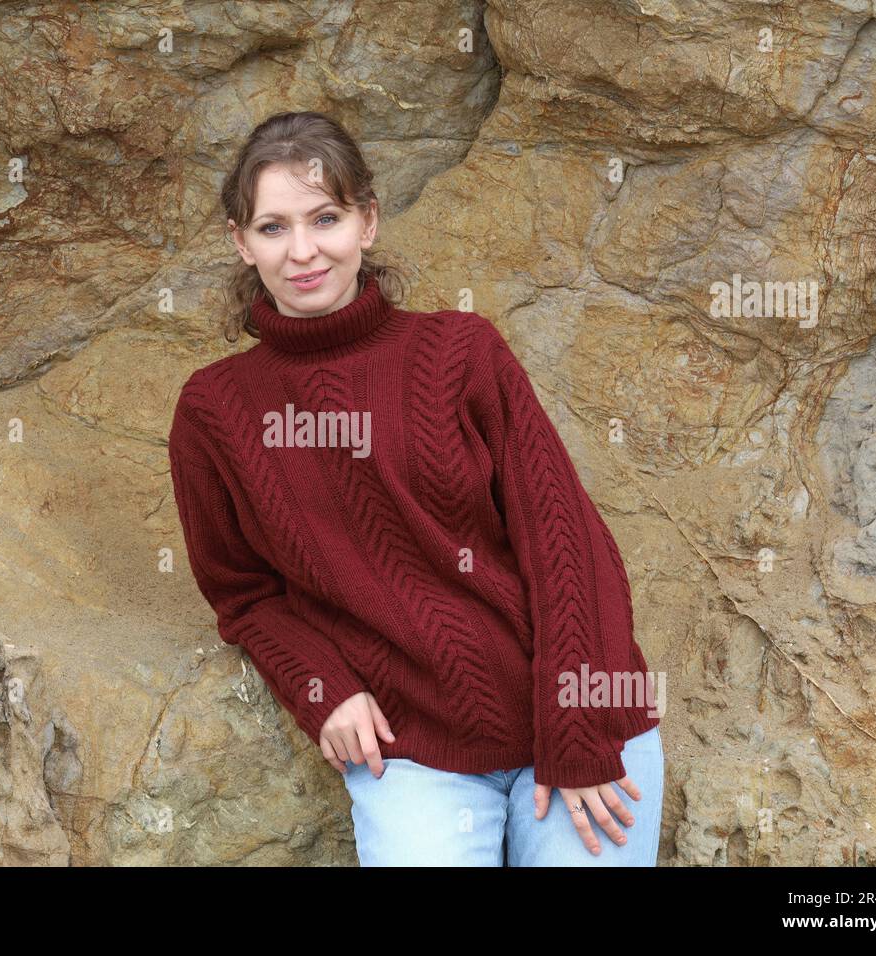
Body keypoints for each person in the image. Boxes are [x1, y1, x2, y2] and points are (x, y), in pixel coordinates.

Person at [167, 110, 664, 866]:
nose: (302, 251)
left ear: (367, 222)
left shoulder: (459, 353)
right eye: (273, 227)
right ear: (241, 242)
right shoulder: (216, 411)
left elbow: (564, 539)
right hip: (413, 749)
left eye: (324, 218)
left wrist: (579, 730)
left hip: (576, 717)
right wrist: (320, 686)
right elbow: (241, 593)